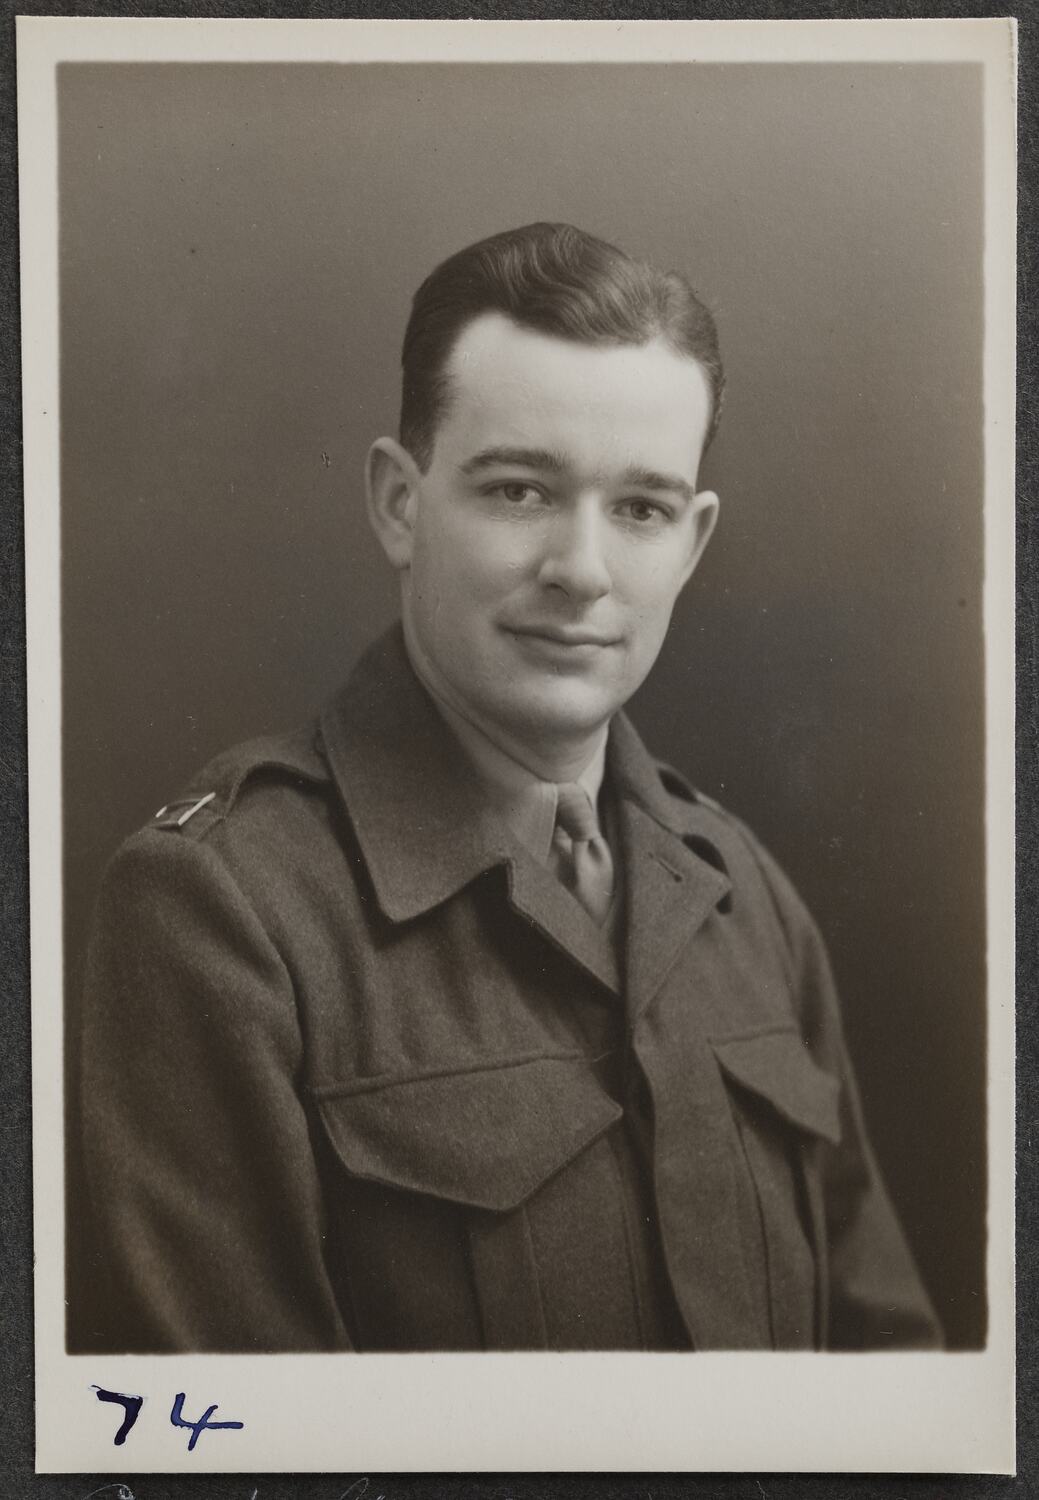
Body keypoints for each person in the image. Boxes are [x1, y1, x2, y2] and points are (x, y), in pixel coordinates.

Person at [78, 222, 940, 1353]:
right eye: (522, 490)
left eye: (640, 509)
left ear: (689, 543)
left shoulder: (747, 903)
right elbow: (235, 1457)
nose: (582, 570)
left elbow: (893, 1399)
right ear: (399, 502)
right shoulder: (222, 915)